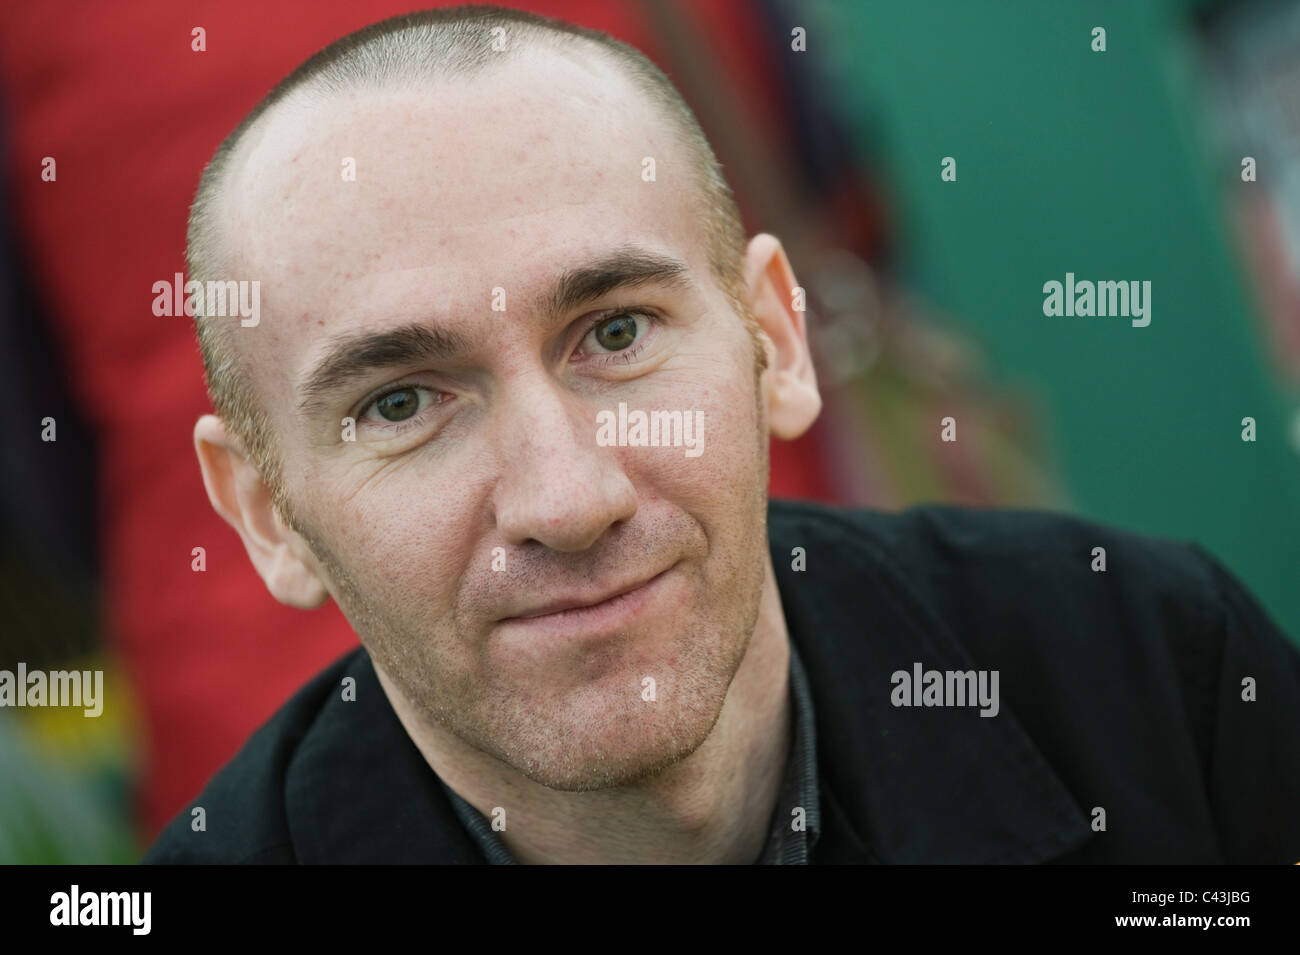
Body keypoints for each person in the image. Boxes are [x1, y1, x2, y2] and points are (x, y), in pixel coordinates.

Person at [144, 5, 1300, 865]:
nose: (565, 497)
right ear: (264, 513)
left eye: (615, 332)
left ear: (776, 339)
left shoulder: (1150, 679)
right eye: (399, 403)